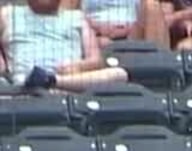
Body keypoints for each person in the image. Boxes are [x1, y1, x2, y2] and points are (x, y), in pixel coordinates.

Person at [1, 0, 129, 91]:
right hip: (23, 86)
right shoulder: (7, 14)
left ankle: (50, 80)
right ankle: (44, 81)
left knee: (119, 74)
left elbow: (96, 60)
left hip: (69, 81)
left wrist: (78, 65)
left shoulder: (76, 17)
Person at [80, 0, 170, 49]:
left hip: (134, 30)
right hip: (93, 32)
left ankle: (162, 72)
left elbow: (165, 13)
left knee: (152, 6)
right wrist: (97, 28)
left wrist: (130, 27)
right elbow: (70, 12)